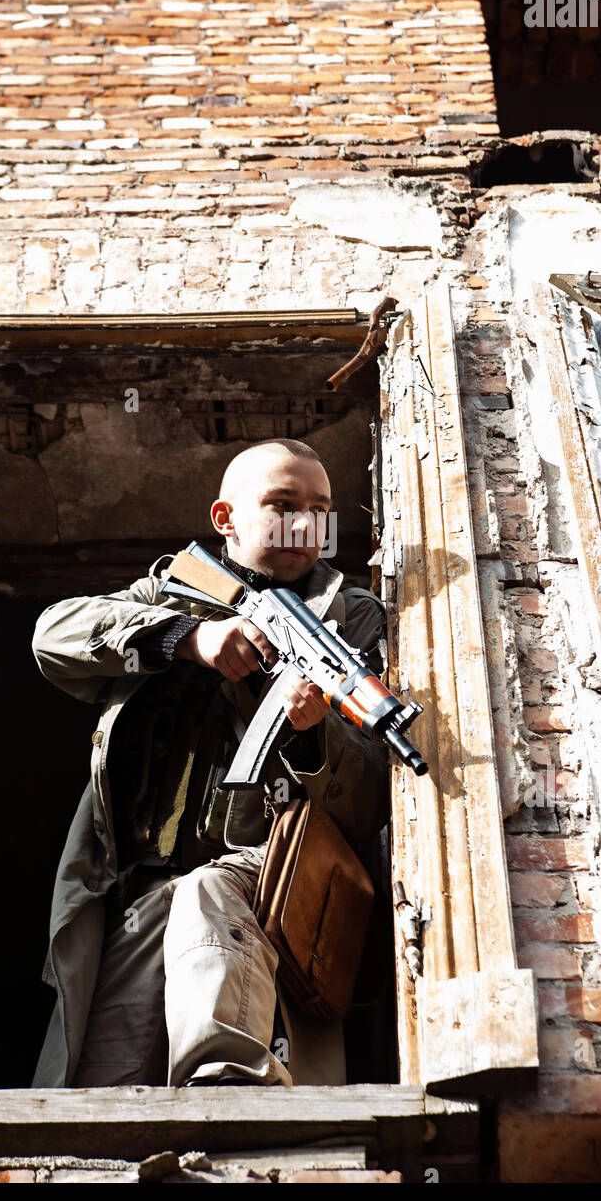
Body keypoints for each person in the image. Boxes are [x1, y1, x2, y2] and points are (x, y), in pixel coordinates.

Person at [30, 438, 390, 1089]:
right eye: (281, 504)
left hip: (269, 876)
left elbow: (372, 802)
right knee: (101, 1081)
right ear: (225, 520)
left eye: (319, 509)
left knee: (209, 892)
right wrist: (191, 638)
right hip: (142, 887)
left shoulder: (349, 618)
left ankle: (227, 1093)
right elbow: (54, 634)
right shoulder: (177, 592)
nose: (303, 524)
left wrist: (312, 733)